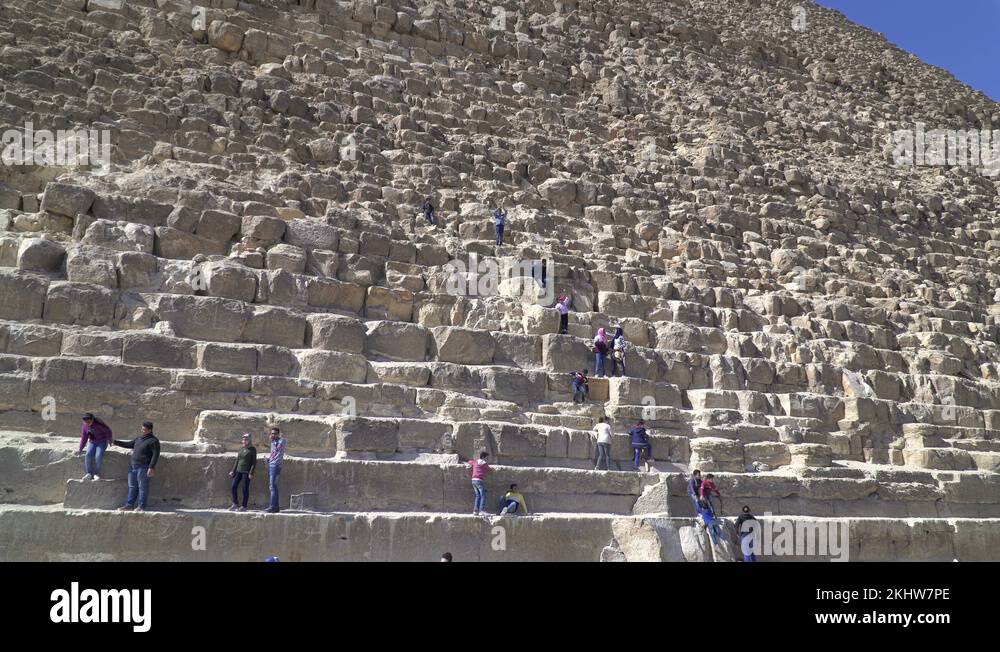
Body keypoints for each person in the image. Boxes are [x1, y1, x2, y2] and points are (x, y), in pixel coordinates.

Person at [113, 421, 160, 513]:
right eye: (142, 428)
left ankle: (141, 506)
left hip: (144, 467)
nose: (142, 430)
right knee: (132, 486)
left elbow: (156, 455)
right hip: (133, 466)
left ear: (150, 430)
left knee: (142, 487)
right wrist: (114, 442)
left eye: (144, 429)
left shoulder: (154, 441)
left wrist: (151, 467)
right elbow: (128, 444)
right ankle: (129, 505)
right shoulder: (139, 439)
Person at [76, 413, 113, 481]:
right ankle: (89, 473)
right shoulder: (85, 426)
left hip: (102, 442)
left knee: (98, 456)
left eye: (89, 422)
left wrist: (110, 440)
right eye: (86, 422)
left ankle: (96, 474)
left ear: (92, 420)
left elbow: (108, 431)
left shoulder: (99, 425)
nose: (87, 423)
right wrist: (80, 449)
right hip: (92, 442)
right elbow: (84, 438)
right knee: (88, 455)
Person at [228, 433, 257, 511]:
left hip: (246, 472)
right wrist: (233, 470)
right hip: (238, 470)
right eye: (243, 439)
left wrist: (251, 472)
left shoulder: (252, 449)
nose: (244, 441)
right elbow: (237, 460)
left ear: (249, 440)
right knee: (233, 486)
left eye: (246, 439)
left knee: (245, 488)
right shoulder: (241, 449)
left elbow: (254, 462)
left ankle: (244, 506)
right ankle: (235, 503)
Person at [266, 427, 286, 513]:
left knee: (272, 487)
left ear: (278, 434)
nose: (273, 435)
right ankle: (276, 507)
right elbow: (273, 453)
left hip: (276, 466)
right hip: (272, 465)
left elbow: (278, 449)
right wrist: (269, 459)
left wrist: (274, 440)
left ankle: (272, 506)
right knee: (274, 486)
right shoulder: (273, 443)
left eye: (275, 433)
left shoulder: (281, 441)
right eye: (272, 433)